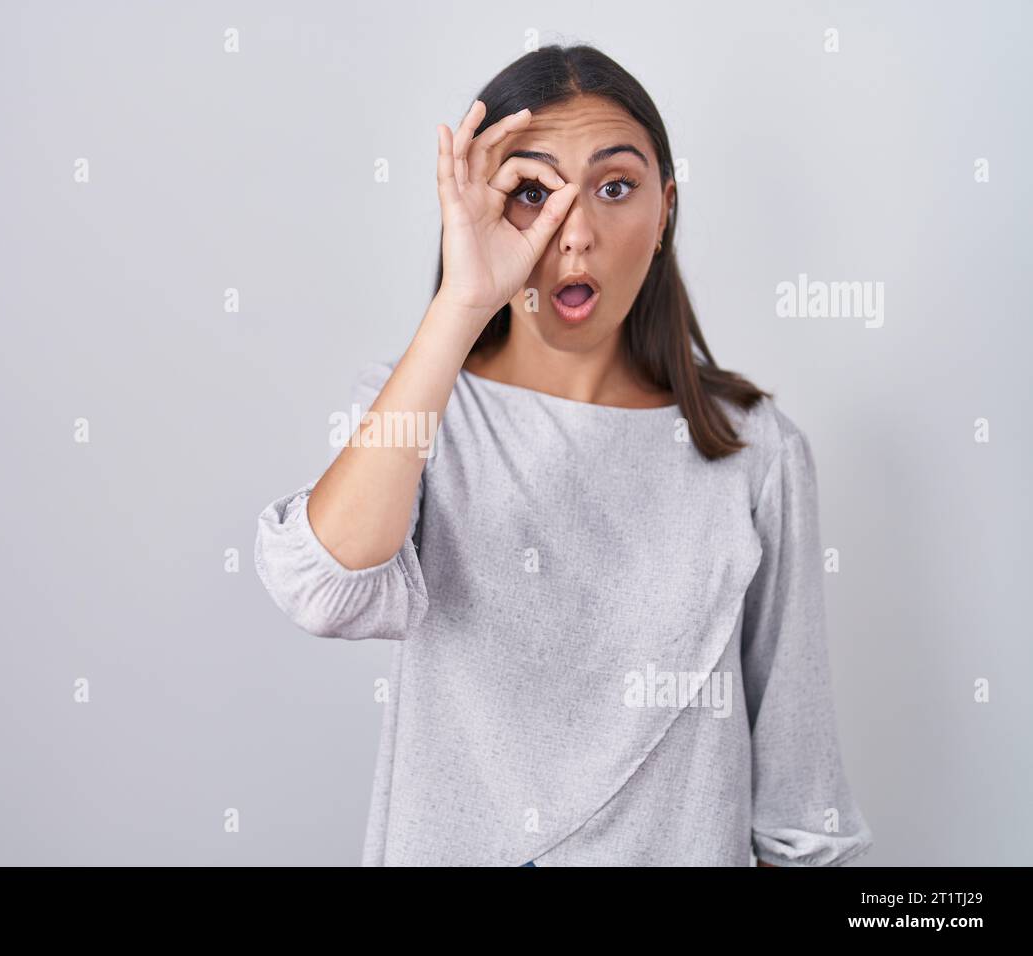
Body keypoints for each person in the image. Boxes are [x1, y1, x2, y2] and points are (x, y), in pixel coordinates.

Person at [254, 44, 873, 867]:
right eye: (532, 193)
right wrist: (464, 301)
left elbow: (803, 810)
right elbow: (324, 589)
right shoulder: (422, 412)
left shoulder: (755, 452)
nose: (574, 234)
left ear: (665, 212)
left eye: (615, 188)